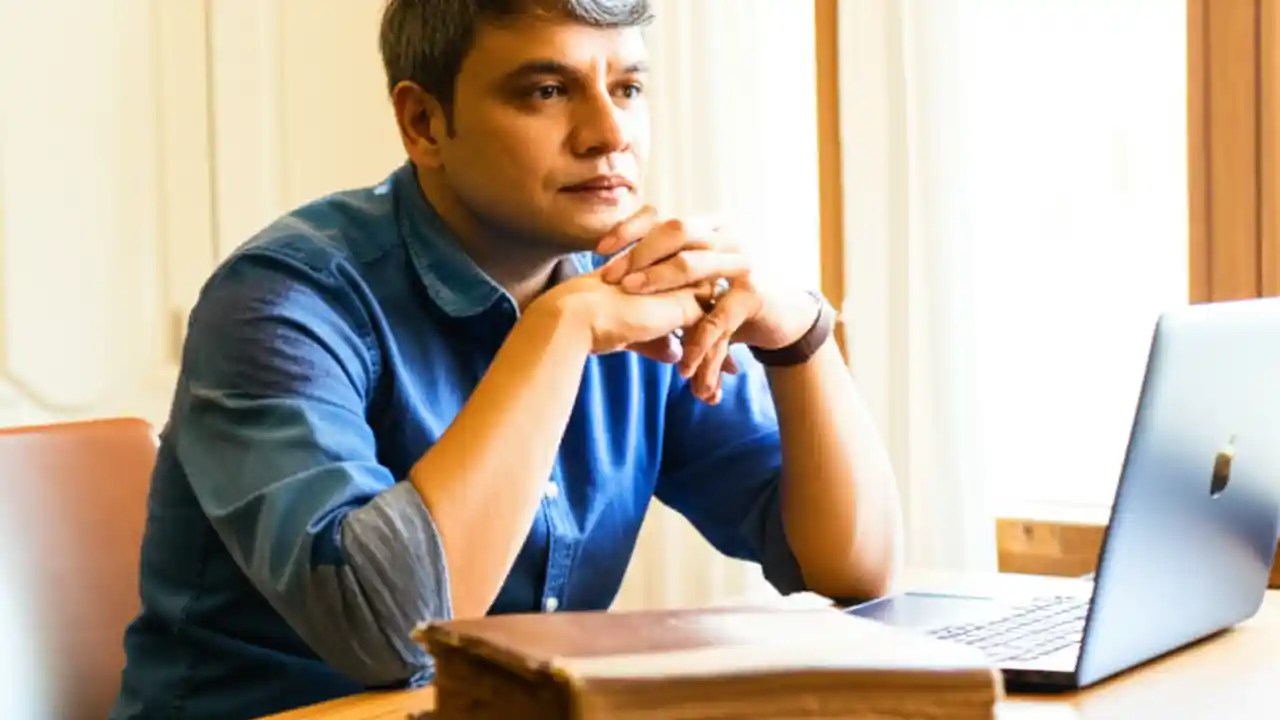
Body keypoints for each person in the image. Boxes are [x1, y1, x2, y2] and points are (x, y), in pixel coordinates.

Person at [111, 1, 903, 717]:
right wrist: (557, 333)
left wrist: (800, 336)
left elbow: (848, 571)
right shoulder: (282, 300)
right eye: (546, 91)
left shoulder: (628, 287)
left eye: (627, 88)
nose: (609, 133)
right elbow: (392, 635)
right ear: (423, 123)